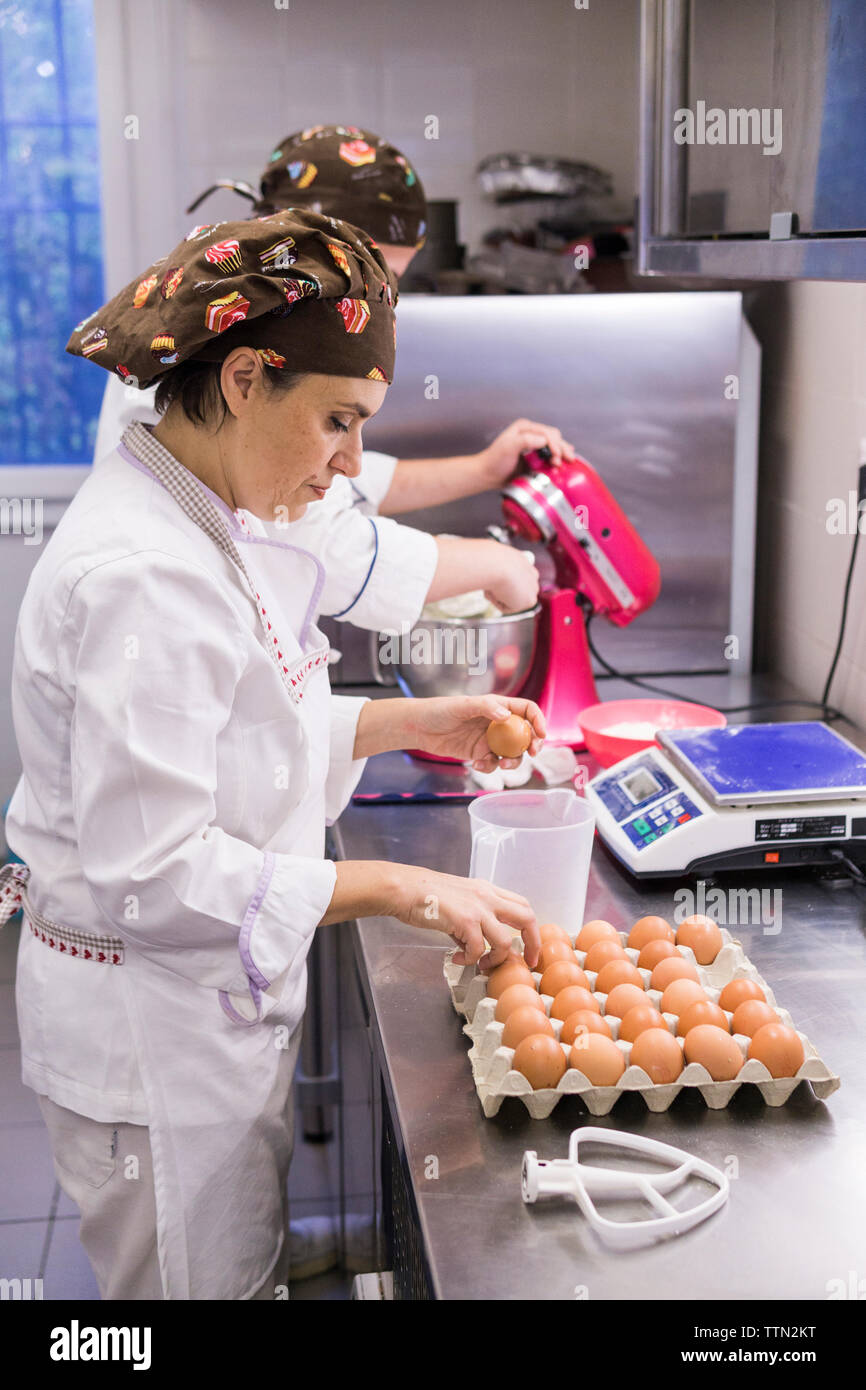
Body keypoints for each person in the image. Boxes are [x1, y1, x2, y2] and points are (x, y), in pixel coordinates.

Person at [1, 209, 543, 1300]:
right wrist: (393, 884)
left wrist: (403, 722)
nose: (349, 469)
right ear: (245, 377)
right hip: (147, 1040)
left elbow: (236, 736)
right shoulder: (144, 570)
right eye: (338, 421)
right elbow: (154, 872)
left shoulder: (202, 512)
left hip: (194, 1017)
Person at [92, 124, 575, 632]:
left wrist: (481, 470)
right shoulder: (201, 344)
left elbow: (334, 477)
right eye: (372, 272)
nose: (377, 300)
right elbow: (317, 543)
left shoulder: (243, 323)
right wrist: (499, 565)